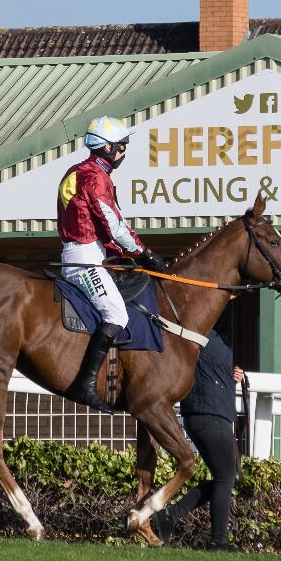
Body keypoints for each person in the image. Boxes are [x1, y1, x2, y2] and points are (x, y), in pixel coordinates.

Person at [57, 115, 167, 413]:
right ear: (106, 148)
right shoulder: (95, 177)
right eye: (122, 145)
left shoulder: (78, 171)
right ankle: (85, 385)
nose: (124, 151)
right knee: (117, 315)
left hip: (87, 253)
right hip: (85, 259)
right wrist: (145, 254)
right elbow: (115, 226)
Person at [151, 329, 244, 551]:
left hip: (211, 412)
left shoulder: (213, 337)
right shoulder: (198, 332)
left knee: (228, 476)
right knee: (226, 475)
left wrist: (235, 375)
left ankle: (170, 516)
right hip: (208, 415)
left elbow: (215, 370)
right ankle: (218, 541)